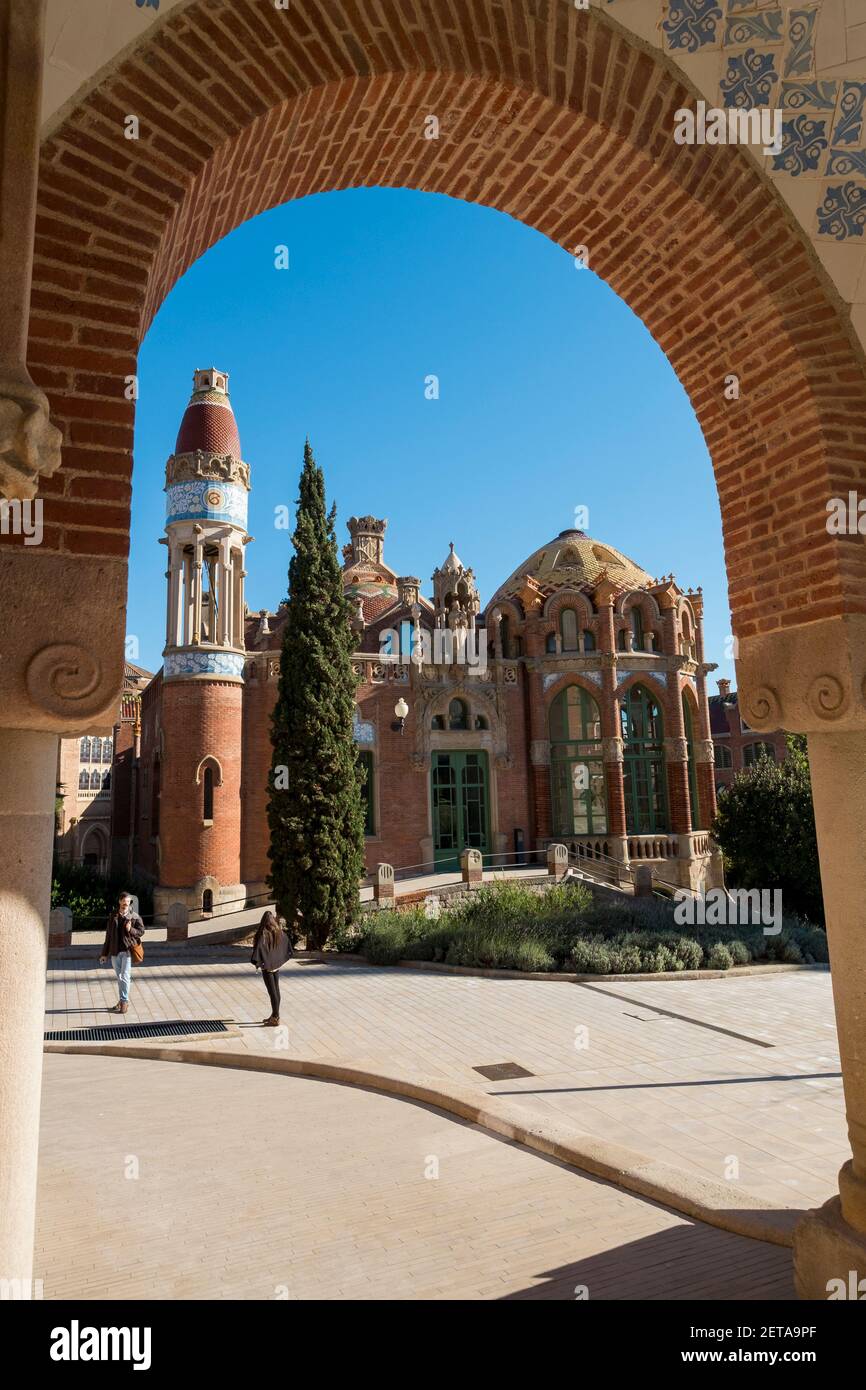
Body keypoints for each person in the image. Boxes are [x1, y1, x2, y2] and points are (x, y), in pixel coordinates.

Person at [99, 891, 145, 1015]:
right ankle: (121, 1000)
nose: (126, 905)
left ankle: (124, 1002)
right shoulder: (113, 915)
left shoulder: (134, 916)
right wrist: (104, 953)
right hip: (114, 951)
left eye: (128, 902)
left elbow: (141, 931)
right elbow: (108, 936)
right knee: (120, 978)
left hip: (127, 951)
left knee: (124, 977)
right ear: (120, 902)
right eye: (124, 902)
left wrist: (131, 930)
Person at [250, 910, 292, 1026]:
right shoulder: (278, 931)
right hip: (275, 965)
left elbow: (259, 949)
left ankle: (276, 1017)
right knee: (276, 991)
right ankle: (274, 1015)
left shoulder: (263, 933)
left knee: (272, 992)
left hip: (267, 967)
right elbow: (285, 942)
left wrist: (258, 963)